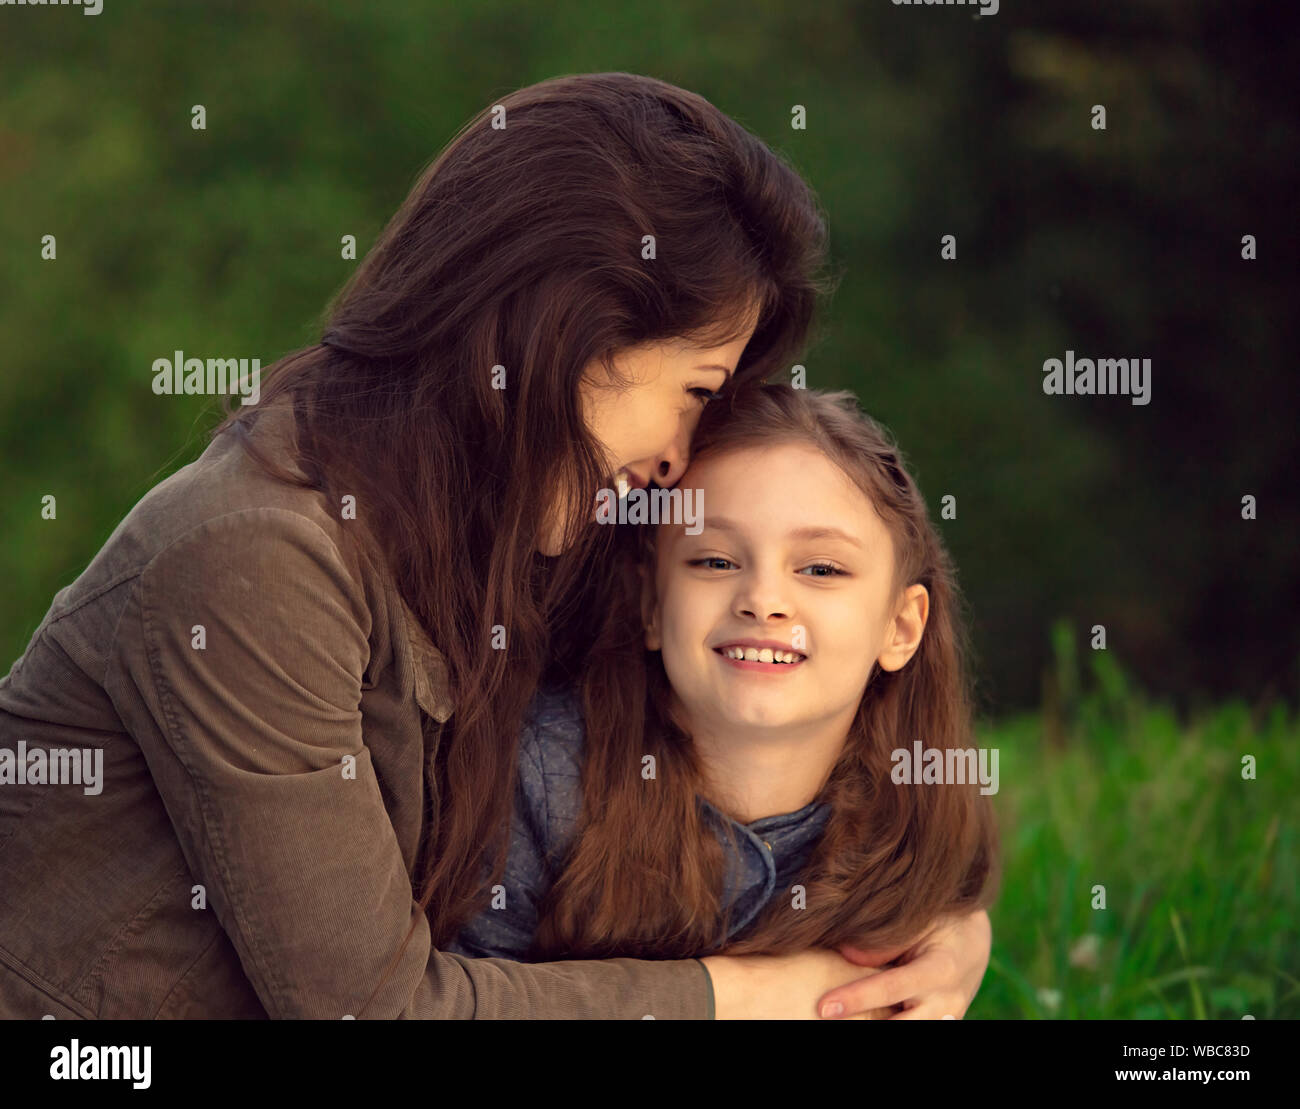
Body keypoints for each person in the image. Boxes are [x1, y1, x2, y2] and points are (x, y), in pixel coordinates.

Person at [0, 73, 990, 1018]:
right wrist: (772, 994)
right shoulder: (254, 557)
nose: (679, 456)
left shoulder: (516, 536)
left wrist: (938, 925)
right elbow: (374, 1006)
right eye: (694, 391)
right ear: (567, 331)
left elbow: (746, 748)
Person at [447, 386, 999, 1020]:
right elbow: (459, 998)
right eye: (714, 559)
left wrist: (964, 930)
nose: (764, 600)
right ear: (652, 606)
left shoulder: (917, 801)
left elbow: (953, 904)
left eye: (821, 569)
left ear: (901, 628)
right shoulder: (542, 777)